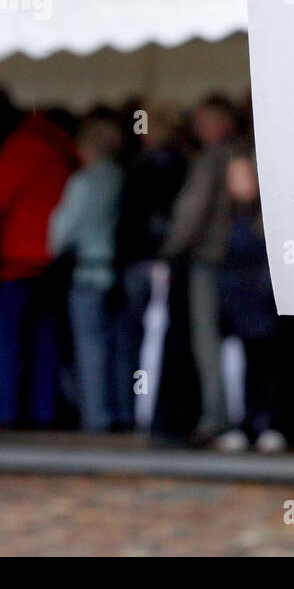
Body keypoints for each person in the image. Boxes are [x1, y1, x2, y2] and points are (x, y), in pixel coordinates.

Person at [0, 91, 76, 428]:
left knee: (9, 343)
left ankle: (6, 413)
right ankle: (44, 412)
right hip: (55, 261)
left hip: (18, 261)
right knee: (46, 343)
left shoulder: (21, 147)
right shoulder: (63, 147)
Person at [161, 95, 238, 447]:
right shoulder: (243, 154)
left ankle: (215, 417)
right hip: (240, 261)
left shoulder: (212, 160)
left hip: (209, 259)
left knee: (206, 342)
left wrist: (171, 250)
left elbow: (192, 213)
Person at [48, 109, 125, 432]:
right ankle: (121, 411)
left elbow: (62, 231)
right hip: (112, 269)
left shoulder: (84, 182)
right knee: (116, 347)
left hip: (87, 272)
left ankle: (96, 416)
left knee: (88, 348)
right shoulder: (118, 176)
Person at [114, 102, 187, 431]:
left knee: (139, 340)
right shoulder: (182, 165)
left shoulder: (144, 168)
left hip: (145, 261)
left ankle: (136, 411)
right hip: (159, 261)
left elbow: (128, 219)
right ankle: (145, 410)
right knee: (151, 339)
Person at [219, 152, 284, 452]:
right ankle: (244, 423)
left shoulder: (268, 216)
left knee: (267, 363)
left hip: (264, 299)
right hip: (239, 300)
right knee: (242, 365)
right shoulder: (227, 217)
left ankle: (268, 422)